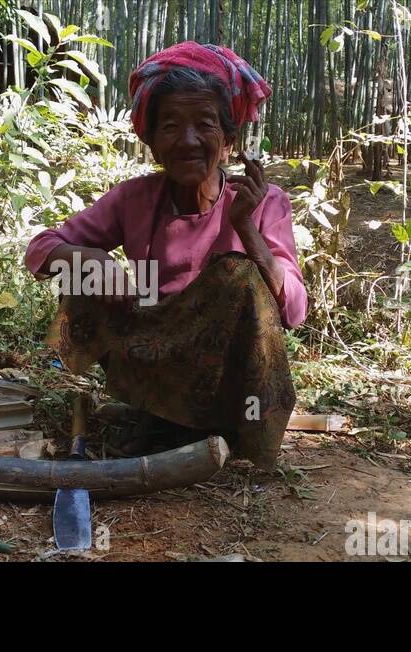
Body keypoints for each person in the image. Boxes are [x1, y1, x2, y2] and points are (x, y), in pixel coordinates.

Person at [24, 41, 308, 471]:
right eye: (170, 126)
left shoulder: (265, 202)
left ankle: (227, 430)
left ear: (229, 141)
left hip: (225, 378)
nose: (188, 140)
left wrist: (247, 228)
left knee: (238, 274)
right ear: (152, 143)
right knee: (80, 269)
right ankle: (156, 414)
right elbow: (41, 248)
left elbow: (295, 310)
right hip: (154, 350)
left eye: (204, 124)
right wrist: (88, 259)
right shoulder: (134, 198)